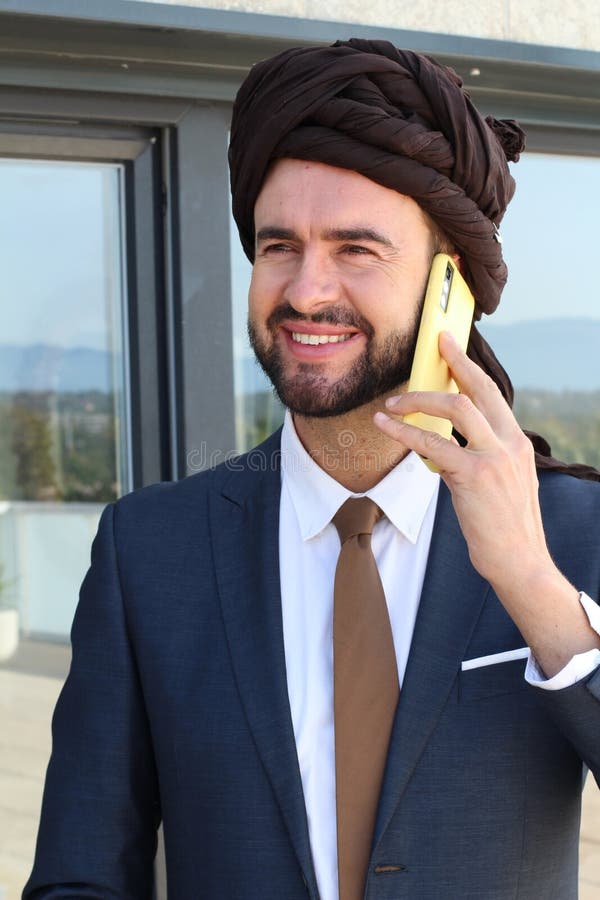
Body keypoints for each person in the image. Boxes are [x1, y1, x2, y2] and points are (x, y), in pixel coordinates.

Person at [25, 39, 600, 900]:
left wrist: (531, 583)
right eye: (278, 246)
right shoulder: (149, 551)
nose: (304, 290)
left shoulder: (571, 534)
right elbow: (80, 877)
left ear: (451, 287)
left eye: (356, 249)